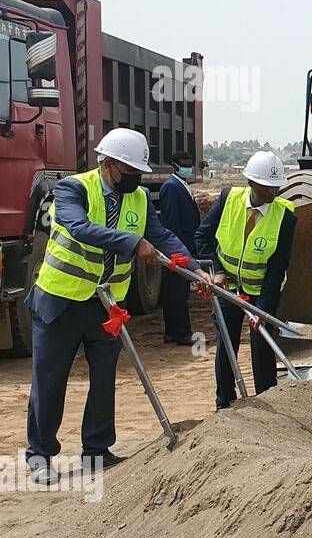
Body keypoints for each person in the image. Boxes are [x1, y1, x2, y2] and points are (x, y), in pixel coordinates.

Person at [25, 129, 210, 483]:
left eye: (139, 172)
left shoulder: (139, 197)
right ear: (108, 165)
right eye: (130, 171)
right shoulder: (72, 189)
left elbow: (163, 238)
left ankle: (97, 449)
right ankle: (40, 454)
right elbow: (78, 228)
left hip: (107, 305)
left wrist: (196, 270)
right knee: (49, 381)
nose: (136, 178)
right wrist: (131, 242)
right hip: (60, 301)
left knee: (105, 378)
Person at [195, 151, 298, 410]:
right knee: (226, 345)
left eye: (276, 187)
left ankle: (267, 400)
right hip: (228, 288)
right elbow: (202, 239)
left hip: (261, 290)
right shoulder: (228, 200)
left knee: (262, 348)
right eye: (266, 187)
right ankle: (224, 402)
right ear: (251, 183)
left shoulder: (286, 216)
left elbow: (277, 268)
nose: (272, 194)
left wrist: (262, 308)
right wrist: (217, 270)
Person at [158, 151, 201, 345]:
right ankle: (180, 333)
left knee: (177, 292)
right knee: (176, 293)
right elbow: (171, 222)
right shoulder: (171, 187)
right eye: (184, 164)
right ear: (174, 165)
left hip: (184, 247)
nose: (188, 167)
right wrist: (178, 249)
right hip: (178, 249)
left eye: (190, 163)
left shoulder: (182, 186)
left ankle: (173, 332)